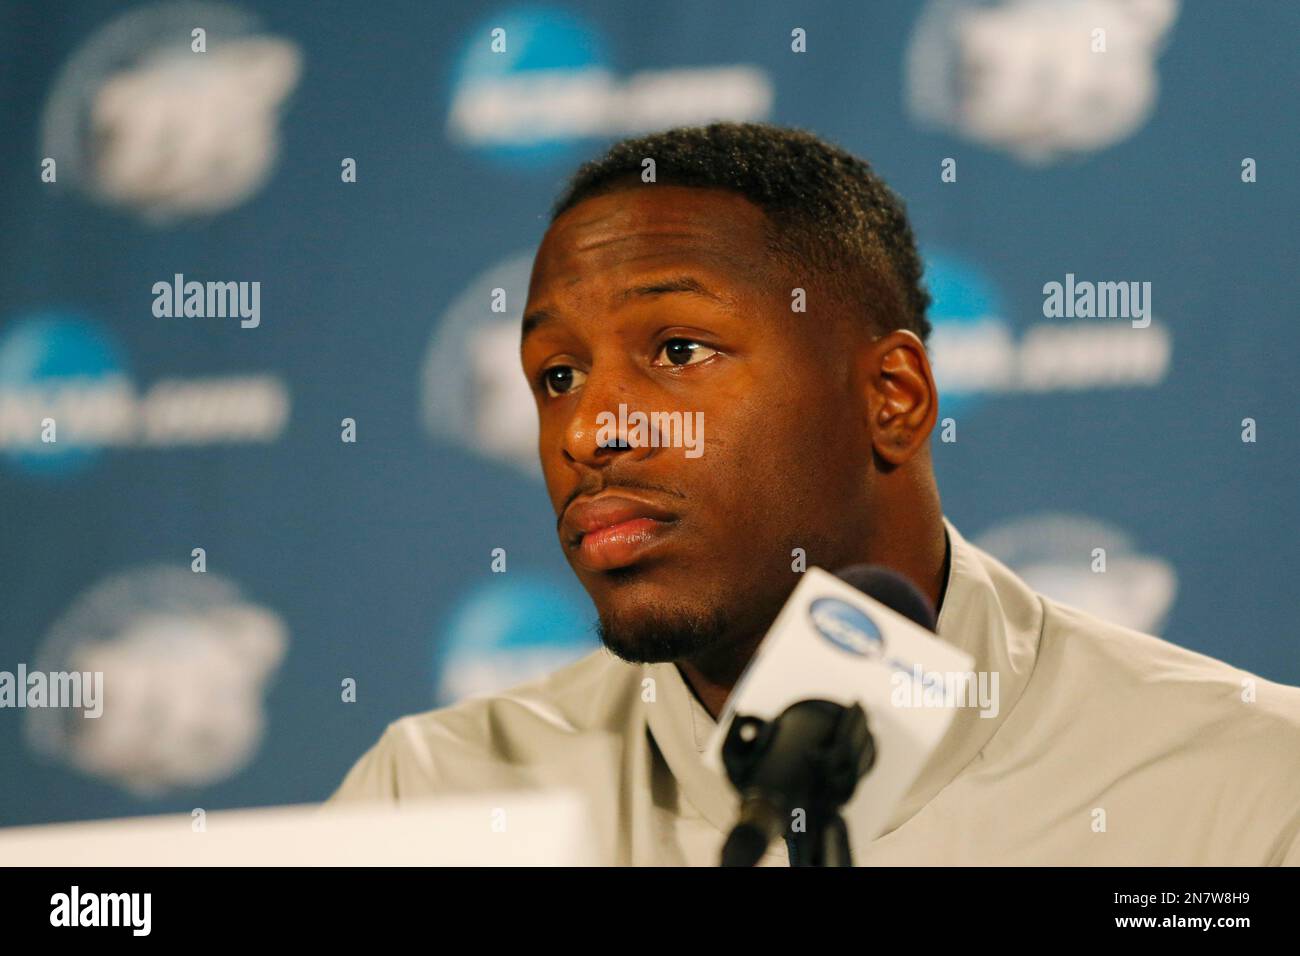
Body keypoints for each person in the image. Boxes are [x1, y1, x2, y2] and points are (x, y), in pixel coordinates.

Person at [329, 122, 1300, 866]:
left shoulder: (1246, 791)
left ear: (893, 397)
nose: (589, 431)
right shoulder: (436, 800)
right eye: (556, 377)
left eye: (677, 350)